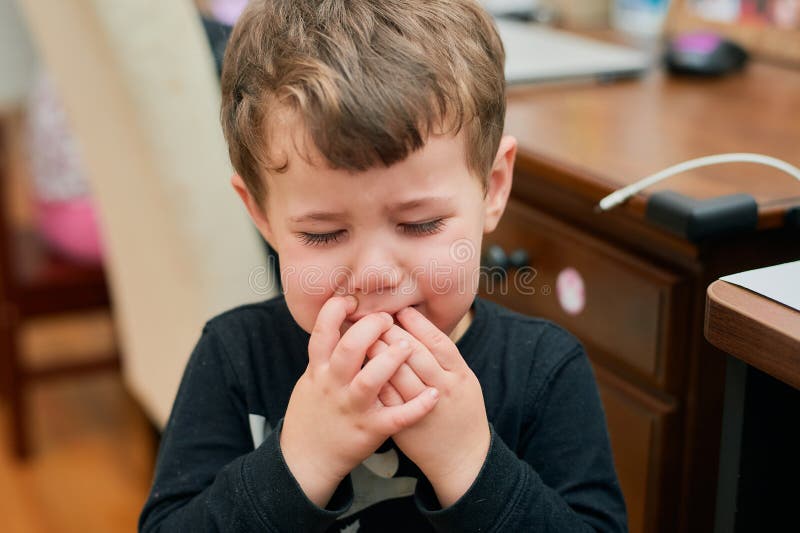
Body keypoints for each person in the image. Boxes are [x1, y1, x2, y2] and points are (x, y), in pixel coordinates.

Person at [139, 1, 628, 531]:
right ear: (261, 213)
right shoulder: (235, 359)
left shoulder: (543, 371)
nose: (374, 273)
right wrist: (299, 461)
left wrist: (469, 463)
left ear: (492, 188)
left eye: (420, 224)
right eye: (323, 234)